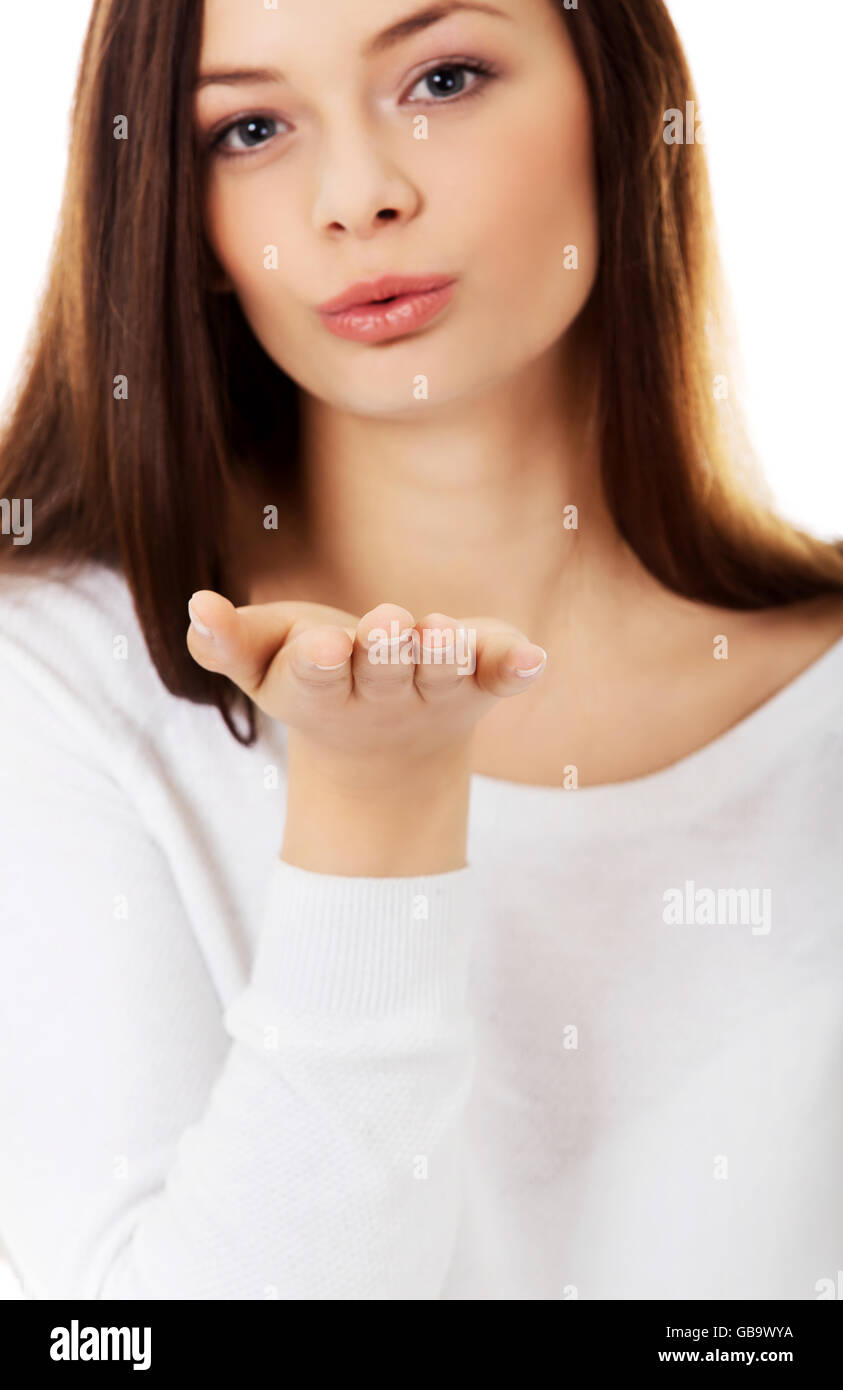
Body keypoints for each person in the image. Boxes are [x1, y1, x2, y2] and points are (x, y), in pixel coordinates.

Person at [0, 0, 841, 1300]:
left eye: (443, 76)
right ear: (185, 208)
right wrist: (371, 807)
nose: (358, 196)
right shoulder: (54, 675)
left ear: (620, 100)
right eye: (253, 127)